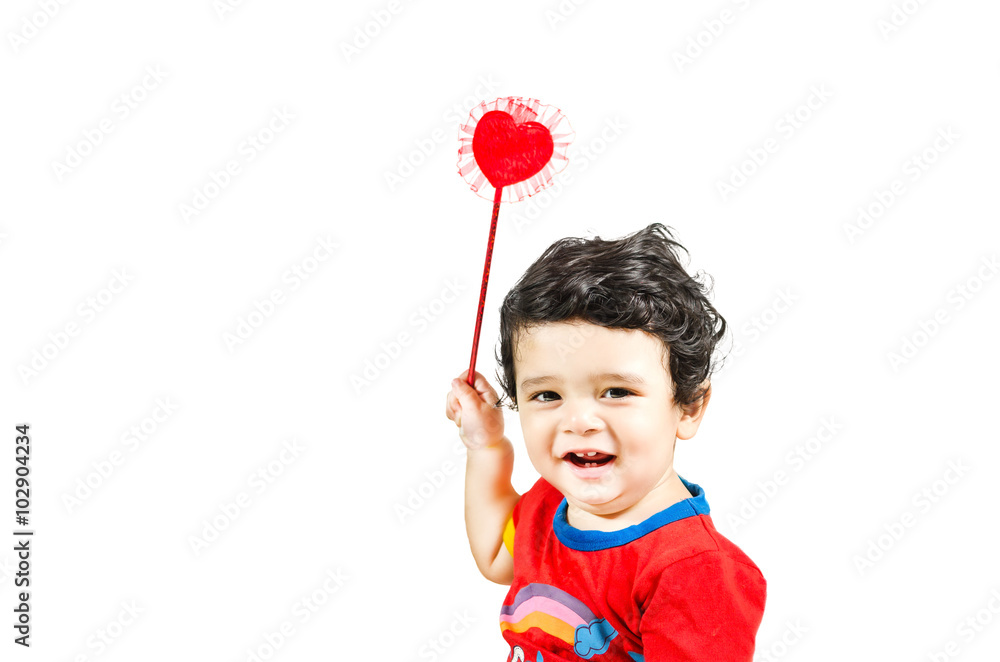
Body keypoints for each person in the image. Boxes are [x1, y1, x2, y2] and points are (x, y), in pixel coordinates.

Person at [445, 223, 766, 661]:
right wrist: (486, 446)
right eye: (548, 395)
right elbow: (494, 558)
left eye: (617, 392)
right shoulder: (548, 504)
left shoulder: (693, 570)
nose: (578, 421)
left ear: (688, 405)